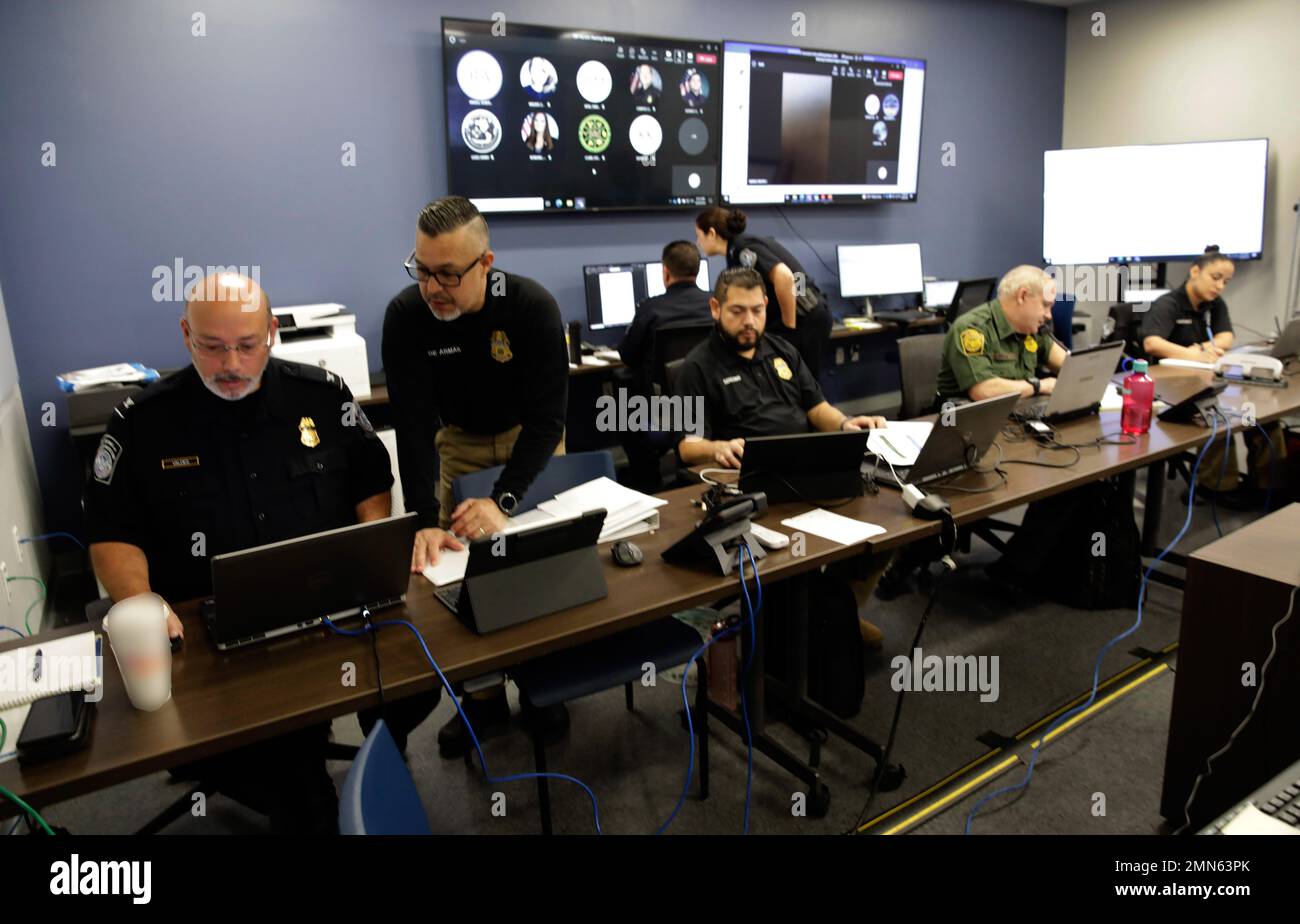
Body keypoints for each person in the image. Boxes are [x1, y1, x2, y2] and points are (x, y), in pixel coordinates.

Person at [84, 272, 399, 833]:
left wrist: (369, 557)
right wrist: (141, 599)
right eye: (212, 345)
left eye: (247, 345)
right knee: (303, 799)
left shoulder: (323, 398)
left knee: (409, 684)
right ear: (186, 334)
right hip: (206, 644)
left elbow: (370, 484)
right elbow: (112, 533)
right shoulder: (143, 422)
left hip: (321, 617)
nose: (231, 363)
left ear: (272, 332)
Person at [382, 196, 570, 756]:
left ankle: (543, 690)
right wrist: (418, 521)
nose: (432, 286)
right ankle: (482, 701)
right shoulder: (406, 317)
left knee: (540, 564)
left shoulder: (532, 306)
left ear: (486, 264)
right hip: (458, 441)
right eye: (421, 269)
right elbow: (413, 429)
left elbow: (549, 420)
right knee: (459, 573)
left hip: (528, 438)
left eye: (447, 273)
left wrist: (504, 499)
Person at [672, 267, 892, 644]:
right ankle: (819, 622)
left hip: (809, 469)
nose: (750, 321)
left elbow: (817, 407)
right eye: (738, 311)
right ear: (715, 308)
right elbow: (687, 447)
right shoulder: (696, 367)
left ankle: (838, 612)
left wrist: (845, 425)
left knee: (889, 526)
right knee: (799, 558)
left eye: (757, 310)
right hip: (755, 487)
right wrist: (717, 447)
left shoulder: (783, 350)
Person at [1141, 246, 1285, 508]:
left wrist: (1206, 348)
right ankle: (1216, 487)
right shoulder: (1169, 303)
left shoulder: (1214, 305)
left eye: (1226, 282)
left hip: (1206, 382)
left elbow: (1227, 336)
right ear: (1195, 271)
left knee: (1264, 419)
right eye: (1215, 277)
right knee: (1222, 418)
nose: (1220, 286)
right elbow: (1152, 343)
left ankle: (1267, 486)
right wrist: (1190, 354)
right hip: (1172, 386)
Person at [694, 206, 834, 381]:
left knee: (801, 383)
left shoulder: (742, 248)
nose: (698, 243)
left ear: (712, 233)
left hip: (806, 317)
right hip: (810, 310)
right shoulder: (739, 247)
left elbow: (785, 277)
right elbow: (796, 275)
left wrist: (788, 328)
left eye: (699, 236)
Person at [615, 241, 713, 491]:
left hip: (665, 410)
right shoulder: (715, 304)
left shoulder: (651, 309)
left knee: (623, 414)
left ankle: (648, 488)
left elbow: (627, 356)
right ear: (698, 270)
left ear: (666, 272)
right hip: (711, 402)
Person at [935, 264, 1067, 404]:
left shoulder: (1031, 327)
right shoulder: (972, 329)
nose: (1049, 315)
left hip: (1014, 412)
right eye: (1045, 305)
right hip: (962, 419)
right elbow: (984, 391)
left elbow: (1069, 365)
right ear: (1022, 296)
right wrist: (1040, 385)